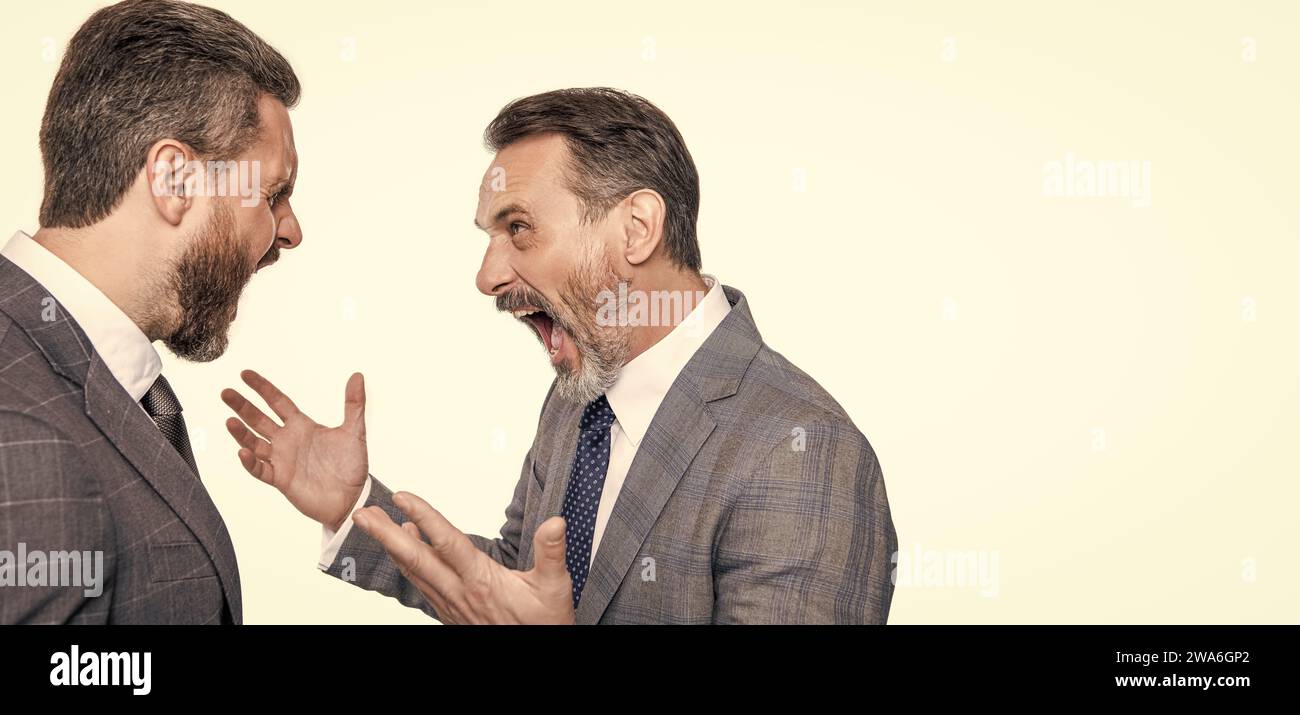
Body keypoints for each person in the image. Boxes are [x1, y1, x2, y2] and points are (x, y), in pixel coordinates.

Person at [222, 88, 897, 624]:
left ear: (636, 228)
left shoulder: (804, 451)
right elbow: (515, 588)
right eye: (491, 236)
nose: (486, 276)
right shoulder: (581, 398)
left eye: (519, 228)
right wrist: (357, 511)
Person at [0, 0, 303, 624]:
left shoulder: (82, 370)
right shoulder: (19, 424)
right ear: (176, 180)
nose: (290, 231)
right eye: (272, 195)